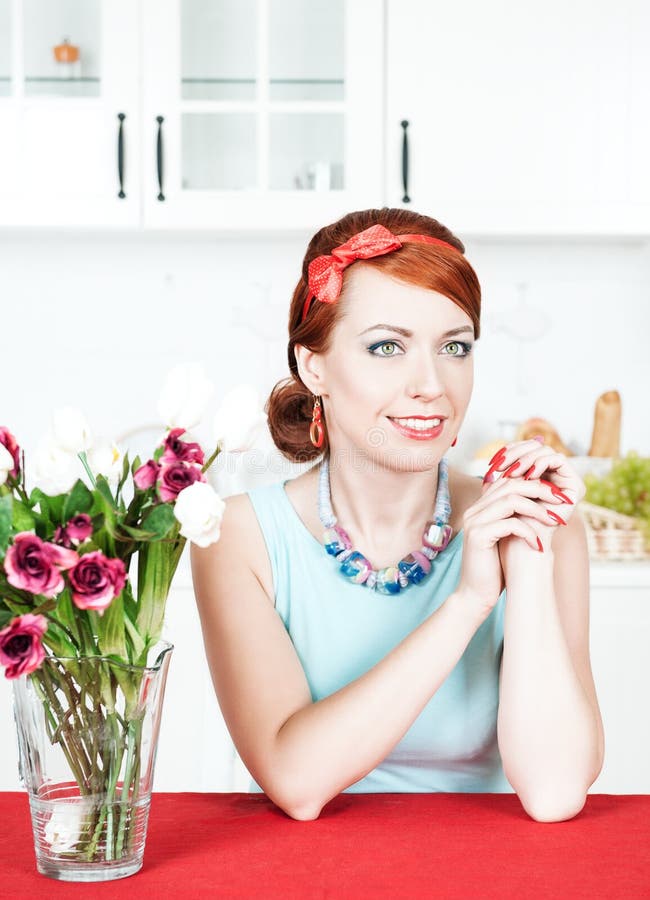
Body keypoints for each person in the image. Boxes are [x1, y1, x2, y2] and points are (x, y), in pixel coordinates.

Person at [191, 207, 605, 823]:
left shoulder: (534, 524)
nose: (431, 384)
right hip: (306, 871)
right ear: (315, 365)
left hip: (493, 869)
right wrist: (467, 603)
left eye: (454, 347)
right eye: (387, 346)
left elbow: (554, 794)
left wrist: (531, 560)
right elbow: (297, 783)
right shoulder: (238, 536)